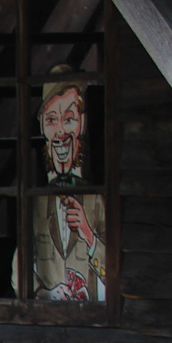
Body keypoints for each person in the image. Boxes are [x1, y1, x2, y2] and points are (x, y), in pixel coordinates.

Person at [28, 74, 105, 303]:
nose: (61, 132)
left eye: (69, 119)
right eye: (52, 120)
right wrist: (43, 293)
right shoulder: (37, 201)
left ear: (82, 123)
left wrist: (88, 234)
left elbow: (115, 271)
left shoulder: (95, 200)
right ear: (42, 125)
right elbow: (19, 266)